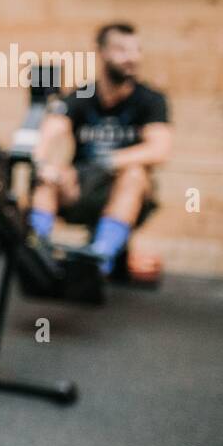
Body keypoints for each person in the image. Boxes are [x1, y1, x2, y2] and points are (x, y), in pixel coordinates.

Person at [27, 22, 172, 277]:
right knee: (50, 175)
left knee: (135, 173)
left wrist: (109, 161)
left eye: (136, 50)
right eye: (122, 50)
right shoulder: (84, 94)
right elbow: (51, 130)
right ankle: (35, 254)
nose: (132, 57)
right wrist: (42, 164)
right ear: (102, 52)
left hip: (127, 192)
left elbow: (159, 150)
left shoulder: (150, 99)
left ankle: (99, 260)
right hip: (81, 186)